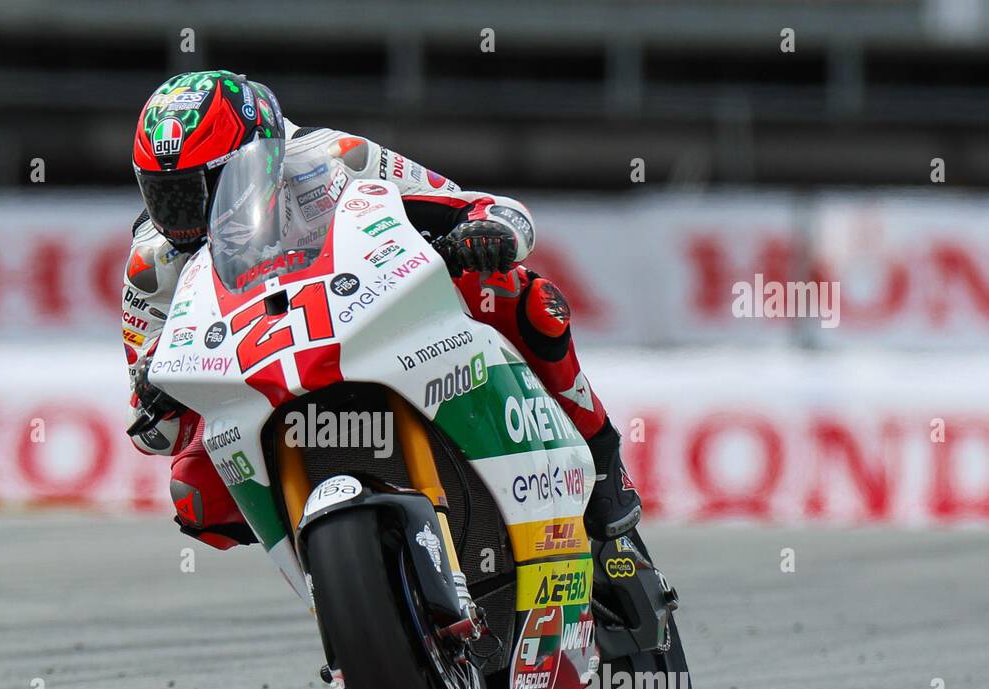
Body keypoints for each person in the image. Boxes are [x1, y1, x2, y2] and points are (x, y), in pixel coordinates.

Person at [124, 70, 640, 550]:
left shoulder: (334, 156)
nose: (183, 218)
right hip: (265, 375)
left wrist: (488, 231)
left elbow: (471, 205)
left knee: (515, 293)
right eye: (165, 196)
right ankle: (335, 576)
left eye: (198, 191)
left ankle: (601, 452)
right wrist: (159, 385)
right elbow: (154, 433)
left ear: (256, 155)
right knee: (193, 489)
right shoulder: (151, 264)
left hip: (370, 322)